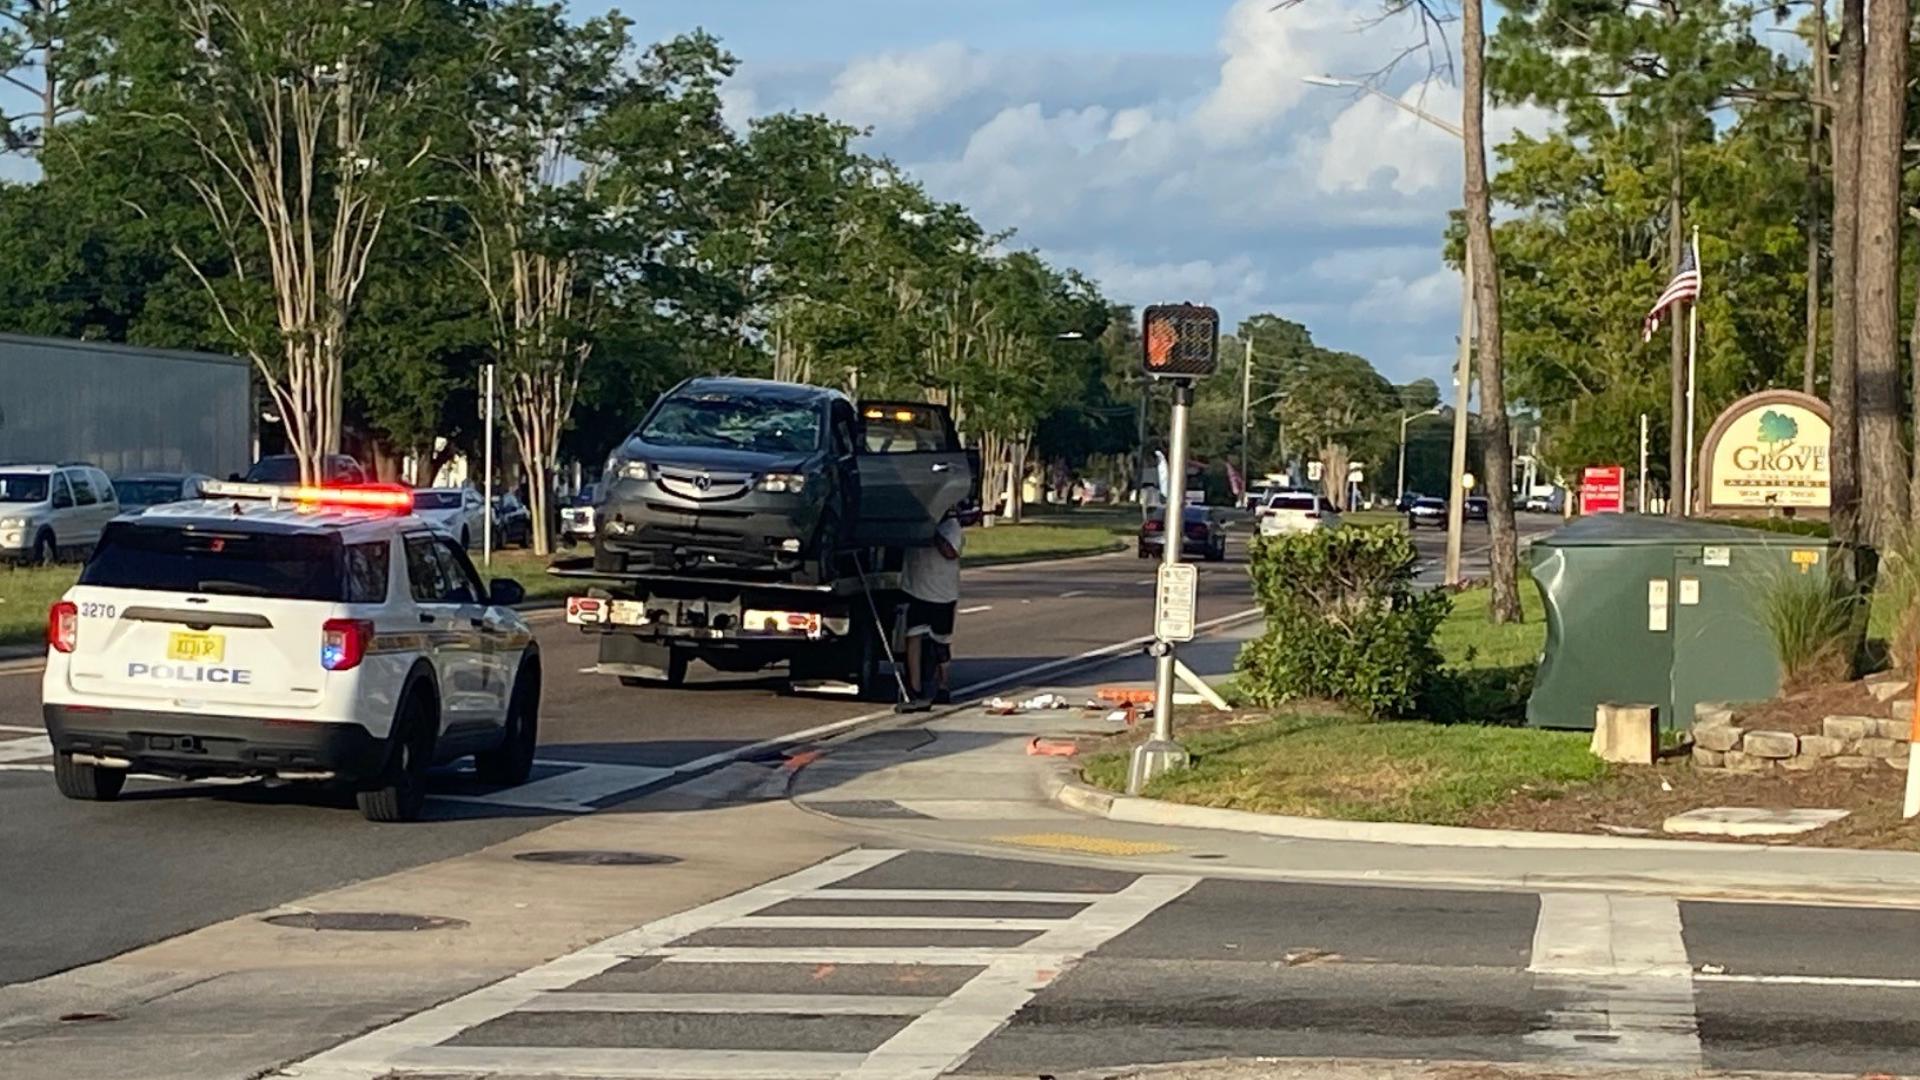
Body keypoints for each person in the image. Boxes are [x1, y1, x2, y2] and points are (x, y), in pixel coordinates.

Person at [895, 506, 965, 712]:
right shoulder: (915, 526)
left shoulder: (951, 527)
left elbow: (950, 552)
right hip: (916, 589)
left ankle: (943, 686)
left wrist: (932, 533)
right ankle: (914, 687)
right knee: (913, 636)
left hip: (942, 593)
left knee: (941, 640)